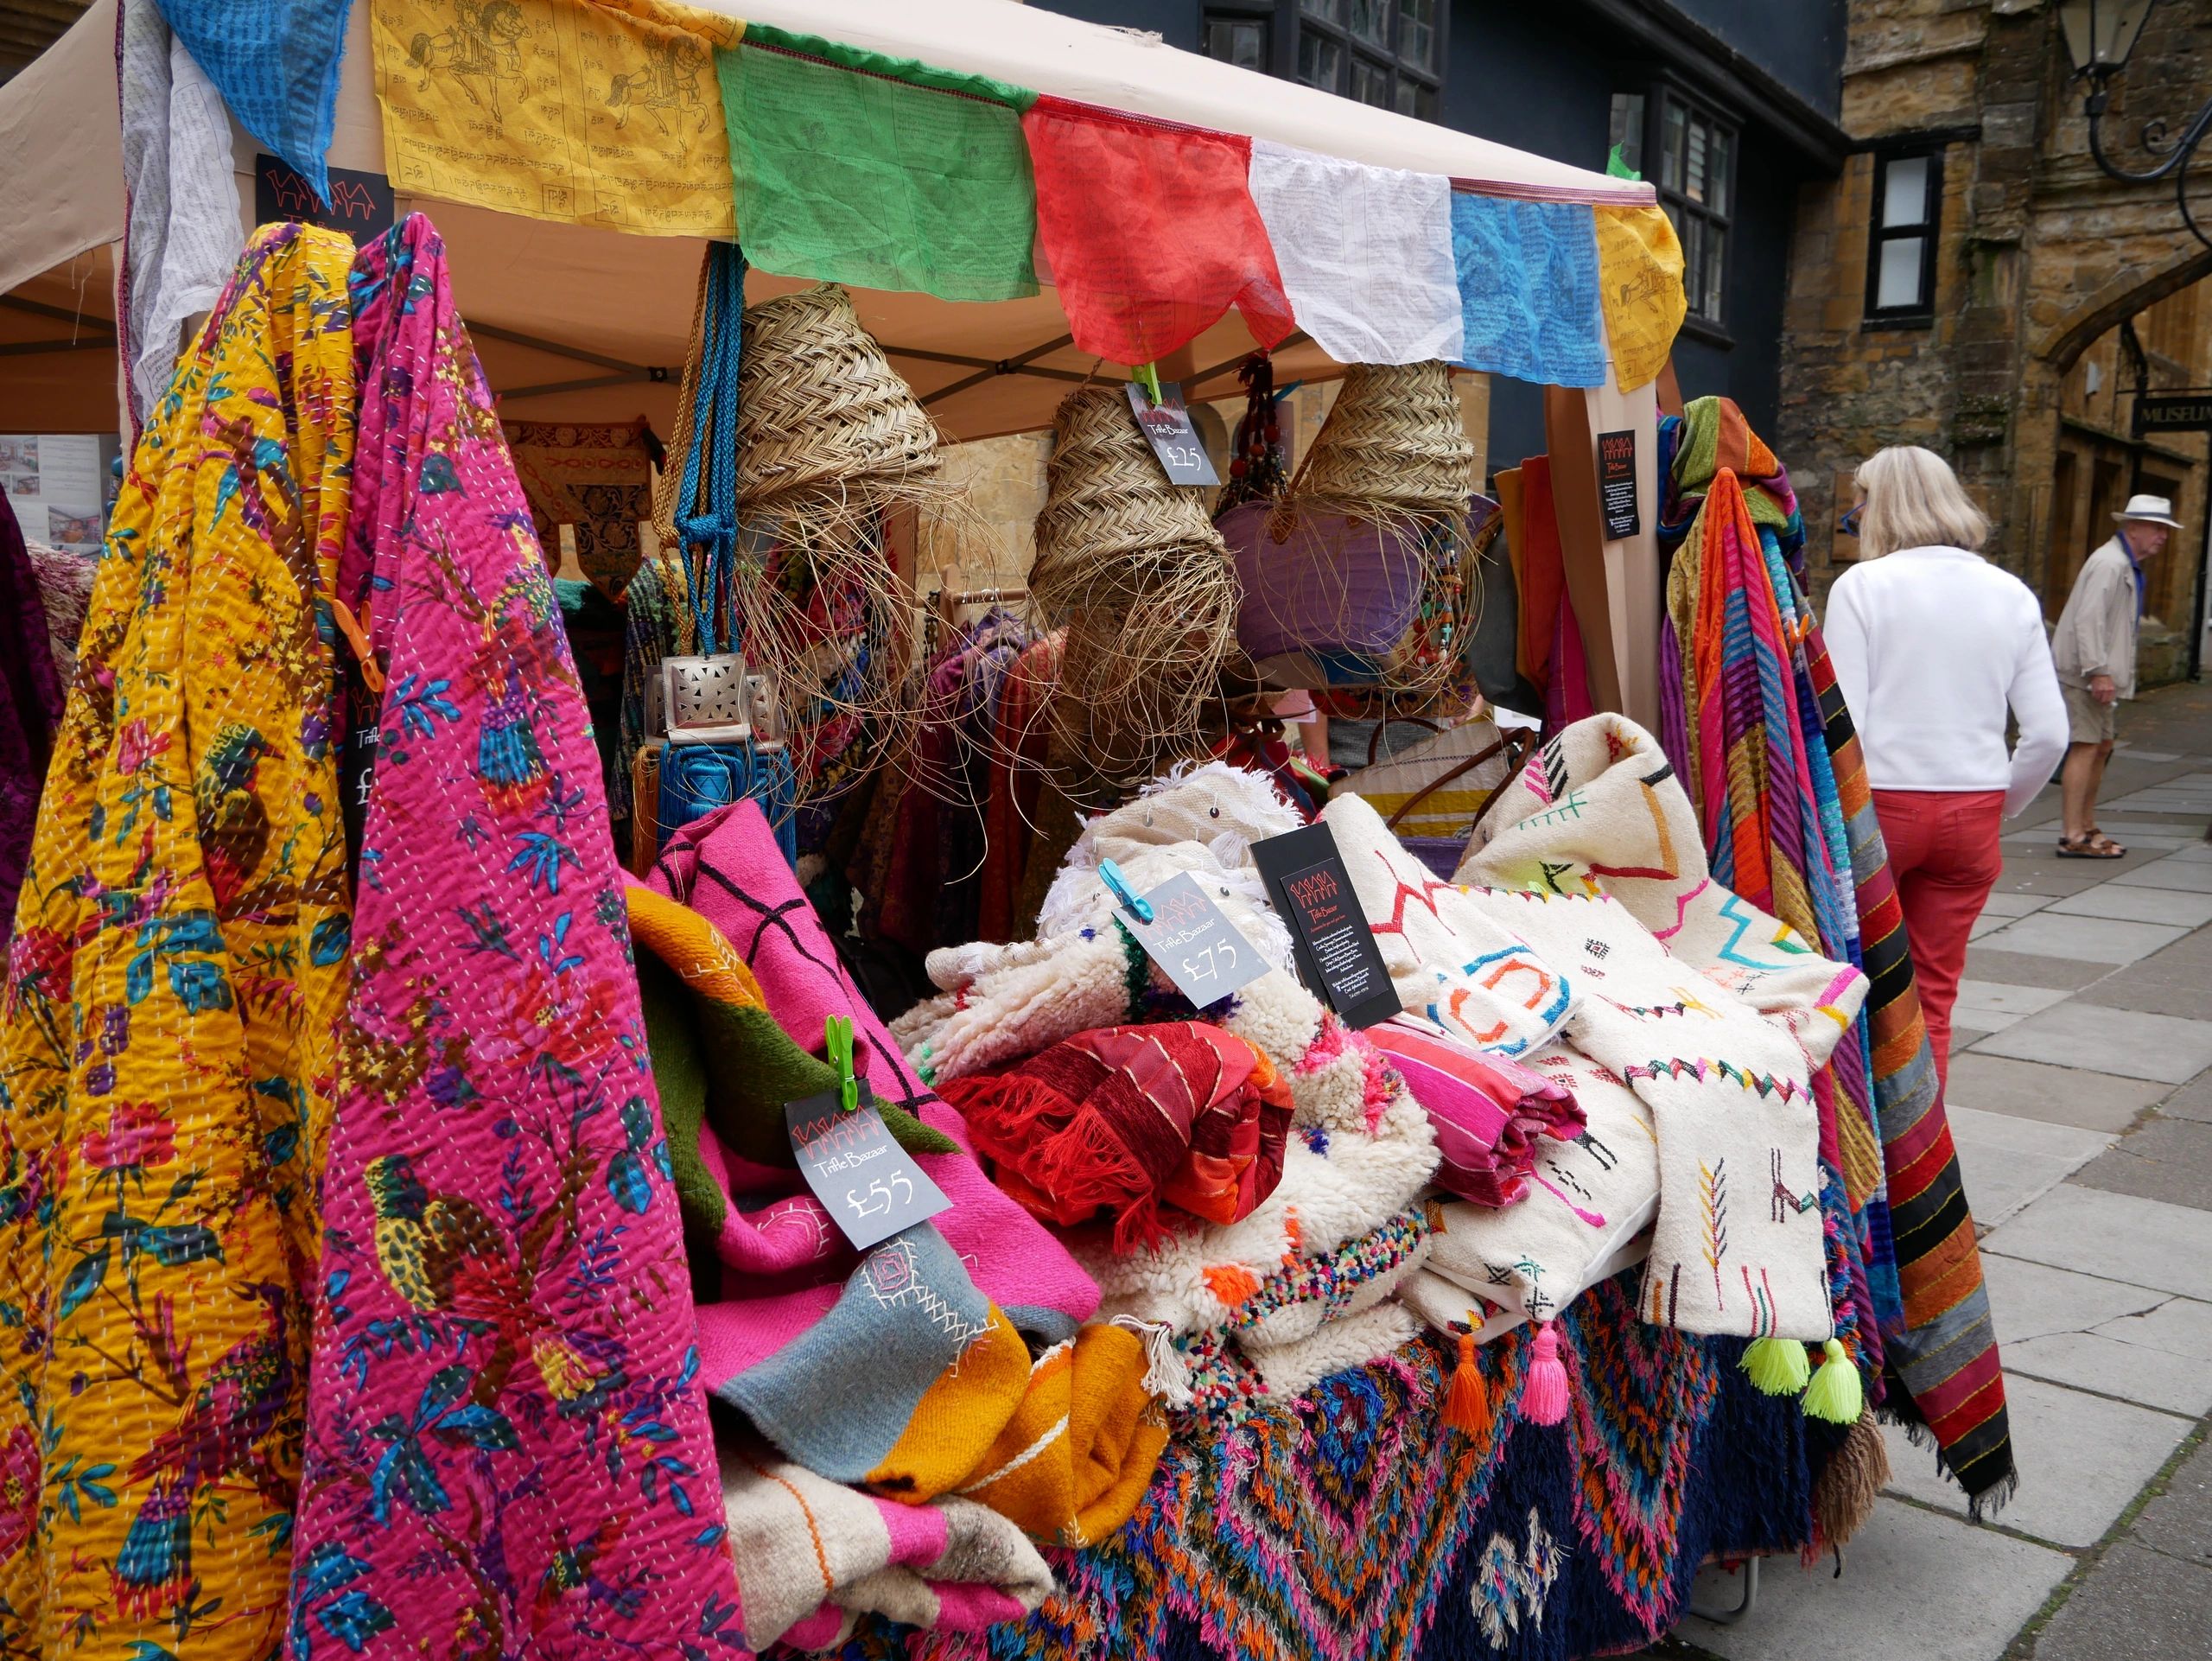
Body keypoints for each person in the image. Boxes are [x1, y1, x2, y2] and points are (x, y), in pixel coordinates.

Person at [1823, 446, 2068, 1089]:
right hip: (1974, 812)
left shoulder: (1863, 587)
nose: (1856, 513)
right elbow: (2049, 733)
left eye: (1862, 499)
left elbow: (1844, 725)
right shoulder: (2011, 594)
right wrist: (2002, 803)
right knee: (1932, 994)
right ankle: (1920, 1162)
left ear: (1883, 505)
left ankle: (1852, 1146)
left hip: (1880, 809)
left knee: (1848, 979)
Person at [2051, 493, 2182, 857]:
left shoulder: (2123, 562)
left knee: (2101, 746)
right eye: (2157, 528)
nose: (2163, 536)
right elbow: (2087, 619)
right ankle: (2072, 835)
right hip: (2085, 674)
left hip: (2098, 674)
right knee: (2086, 746)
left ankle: (2087, 825)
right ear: (2133, 526)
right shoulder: (2110, 563)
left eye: (2165, 529)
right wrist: (2098, 671)